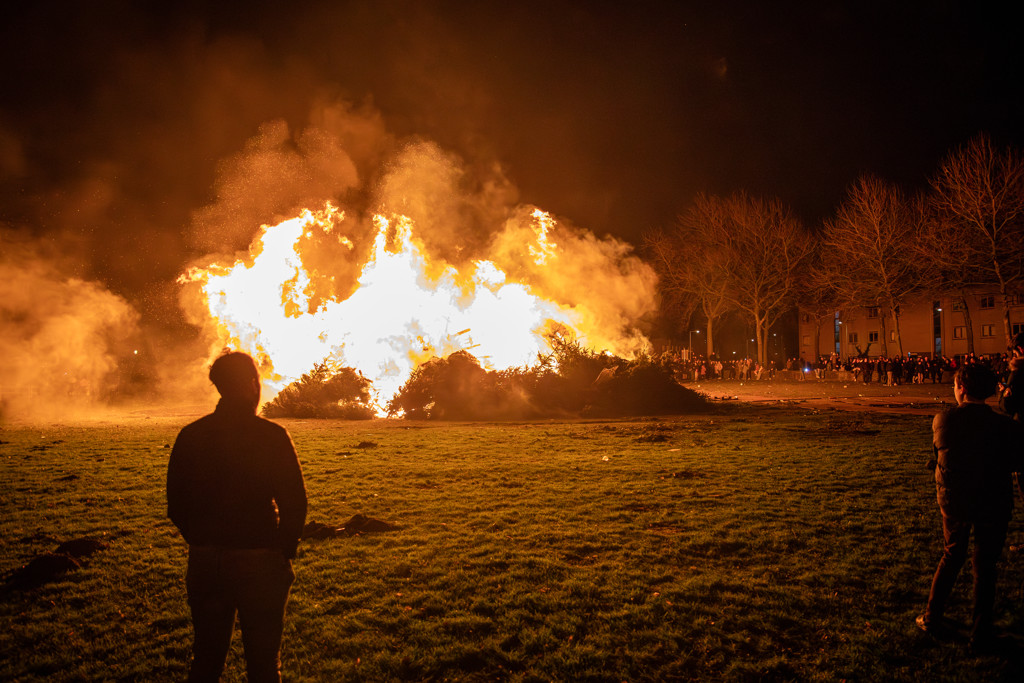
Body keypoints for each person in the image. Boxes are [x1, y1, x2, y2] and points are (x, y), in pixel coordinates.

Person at [168, 351, 307, 682]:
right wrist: (283, 550)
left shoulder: (191, 435)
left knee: (206, 660)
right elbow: (294, 501)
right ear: (250, 384)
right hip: (260, 559)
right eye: (256, 381)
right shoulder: (270, 436)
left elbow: (176, 505)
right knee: (263, 665)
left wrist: (203, 542)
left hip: (206, 562)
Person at [917, 364, 1024, 650]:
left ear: (962, 389)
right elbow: (1016, 460)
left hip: (956, 500)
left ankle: (932, 617)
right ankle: (981, 630)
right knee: (986, 566)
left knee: (952, 555)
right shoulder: (1005, 426)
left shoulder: (944, 420)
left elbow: (941, 453)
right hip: (993, 500)